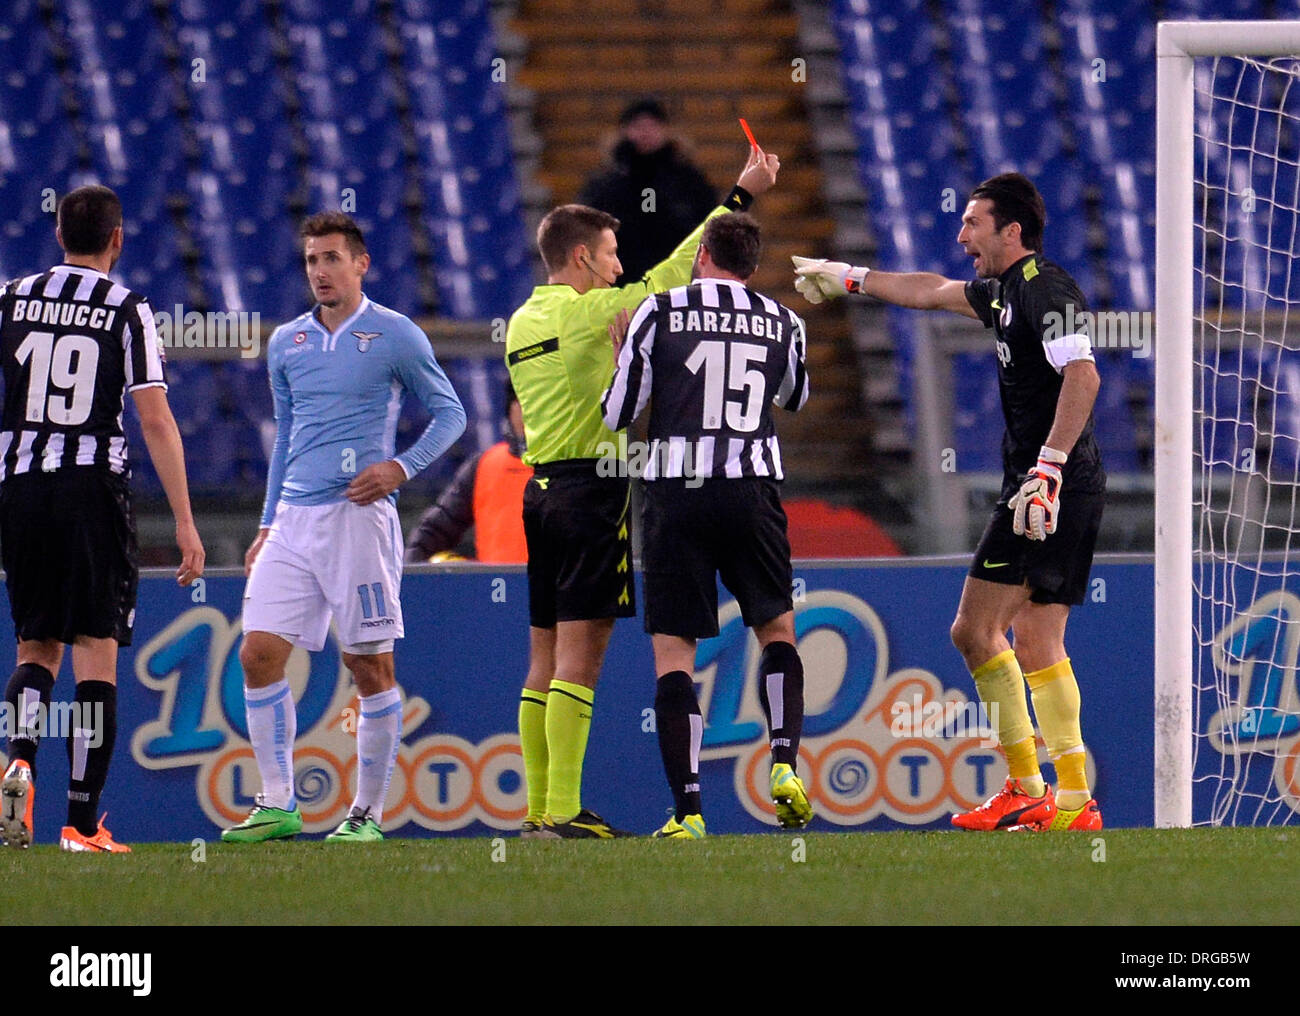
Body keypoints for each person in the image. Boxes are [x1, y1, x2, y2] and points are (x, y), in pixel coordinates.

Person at [793, 172, 1105, 832]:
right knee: (1038, 638)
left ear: (1010, 230)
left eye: (973, 223)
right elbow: (927, 292)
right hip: (1062, 482)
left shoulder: (1046, 289)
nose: (961, 234)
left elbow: (1085, 375)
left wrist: (1045, 471)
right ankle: (1073, 801)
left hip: (1048, 482)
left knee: (973, 629)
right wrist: (845, 276)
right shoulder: (1003, 292)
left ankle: (1025, 785)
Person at [506, 142, 780, 839]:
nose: (620, 267)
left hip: (538, 493)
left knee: (540, 659)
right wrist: (741, 193)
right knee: (580, 657)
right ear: (580, 261)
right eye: (609, 255)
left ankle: (538, 809)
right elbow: (676, 269)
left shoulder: (525, 322)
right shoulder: (589, 314)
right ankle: (565, 810)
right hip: (593, 493)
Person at [222, 212, 466, 844]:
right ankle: (278, 803)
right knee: (257, 654)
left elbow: (451, 414)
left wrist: (400, 467)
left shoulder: (395, 334)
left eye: (332, 258)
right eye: (311, 260)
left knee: (368, 667)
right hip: (294, 522)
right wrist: (267, 522)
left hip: (358, 522)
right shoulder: (287, 342)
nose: (320, 271)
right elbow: (286, 441)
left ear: (361, 264)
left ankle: (366, 815)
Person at [0, 184, 205, 852]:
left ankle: (18, 760)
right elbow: (154, 418)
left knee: (36, 646)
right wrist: (183, 520)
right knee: (94, 659)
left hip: (22, 488)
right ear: (116, 239)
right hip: (91, 491)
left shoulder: (10, 297)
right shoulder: (127, 309)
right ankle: (82, 824)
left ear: (59, 235)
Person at [602, 212, 812, 839]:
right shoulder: (783, 319)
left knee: (674, 657)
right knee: (777, 632)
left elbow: (620, 411)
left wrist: (623, 359)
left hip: (676, 493)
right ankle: (782, 763)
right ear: (752, 266)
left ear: (701, 255)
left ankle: (689, 812)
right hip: (751, 490)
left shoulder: (659, 313)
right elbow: (796, 396)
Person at [577, 98, 717, 286]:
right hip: (621, 281)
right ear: (624, 131)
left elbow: (706, 225)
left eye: (652, 126)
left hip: (676, 281)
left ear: (666, 131)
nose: (645, 133)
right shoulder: (606, 182)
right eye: (638, 126)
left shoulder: (689, 181)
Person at [405, 377, 531, 564]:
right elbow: (434, 530)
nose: (529, 412)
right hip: (495, 590)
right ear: (510, 408)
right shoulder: (483, 466)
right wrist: (409, 575)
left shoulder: (574, 467)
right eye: (521, 402)